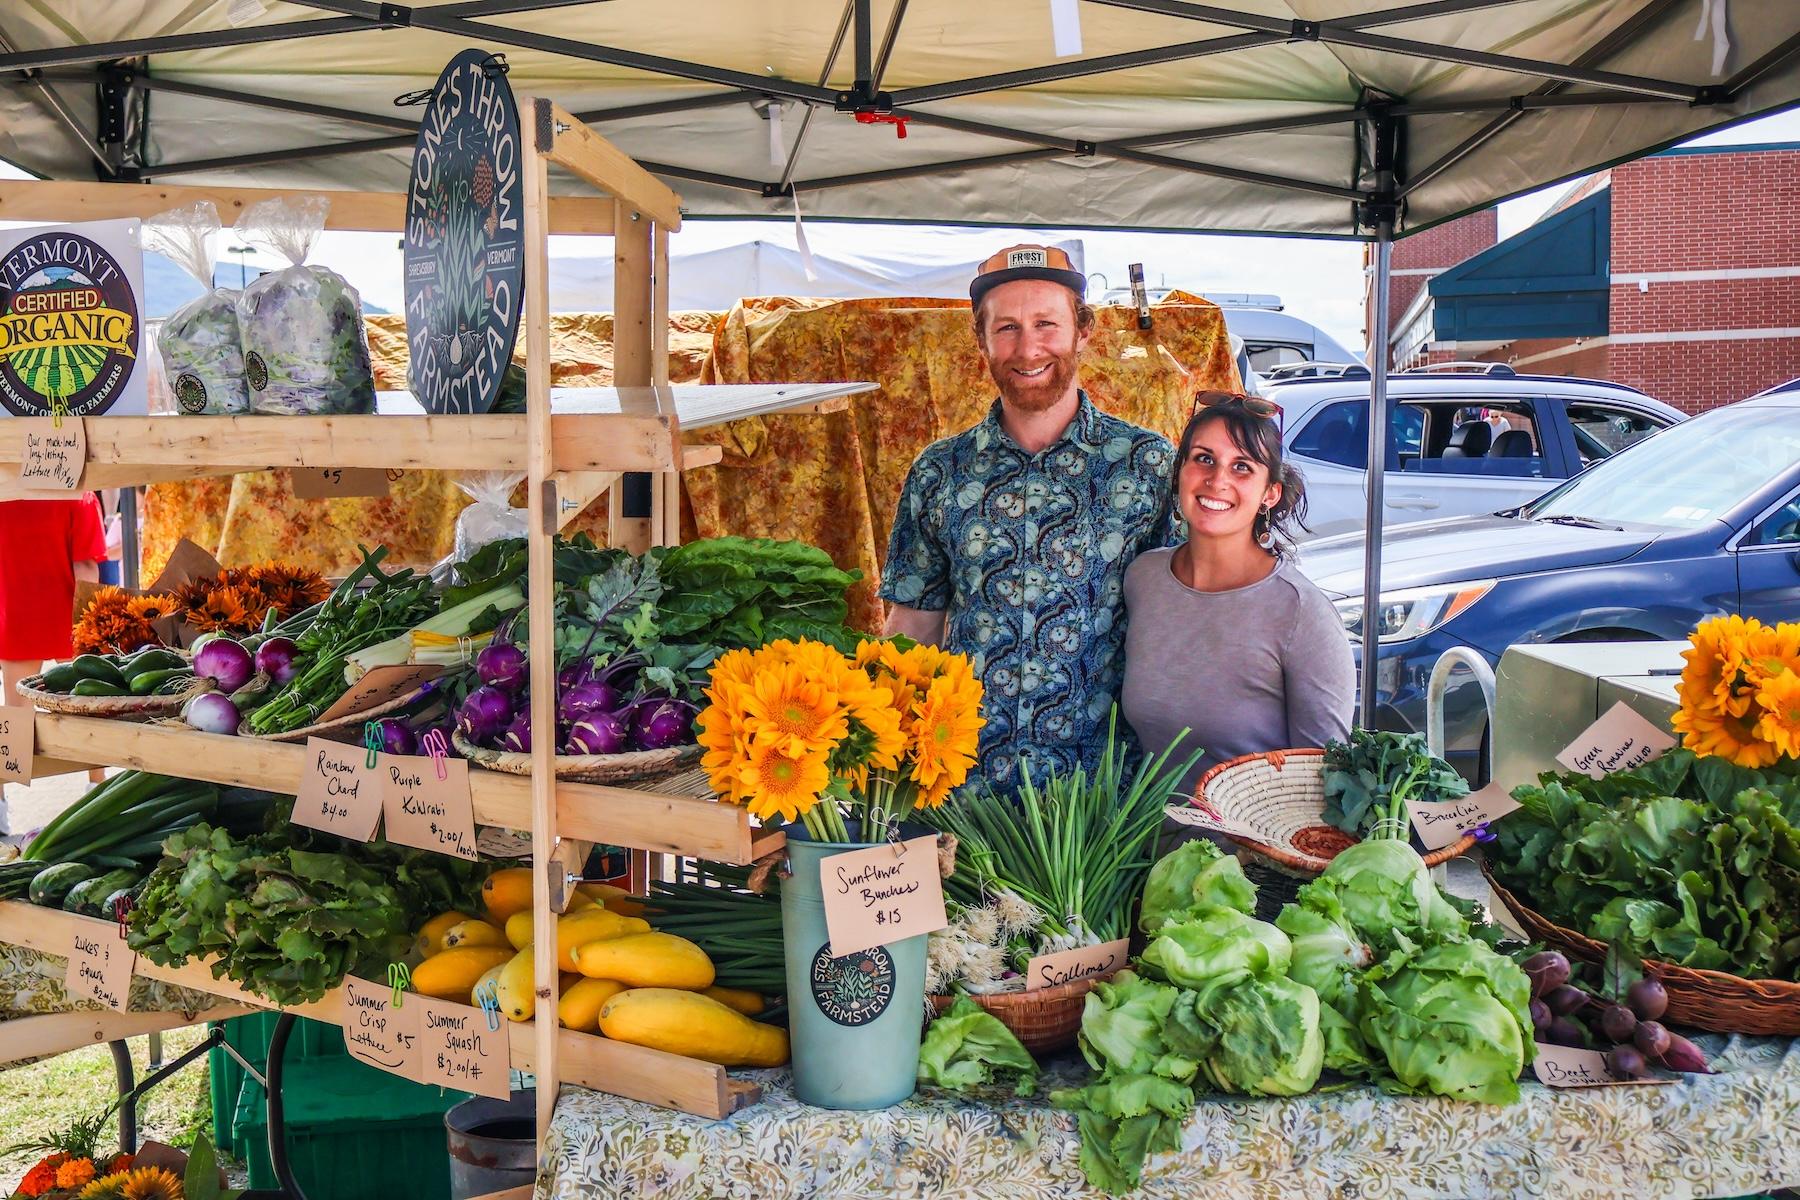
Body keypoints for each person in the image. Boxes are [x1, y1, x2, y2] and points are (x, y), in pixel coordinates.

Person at [881, 244, 1176, 789]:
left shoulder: (1148, 465)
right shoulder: (939, 472)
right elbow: (912, 631)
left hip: (1100, 795)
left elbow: (1182, 627)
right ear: (982, 340)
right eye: (1007, 328)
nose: (1028, 347)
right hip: (964, 788)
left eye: (1046, 324)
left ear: (1083, 331)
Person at [1121, 392, 1355, 797]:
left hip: (1250, 857)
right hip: (1141, 854)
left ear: (1270, 494)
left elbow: (1324, 781)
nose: (1217, 480)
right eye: (1204, 459)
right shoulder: (1143, 579)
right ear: (1180, 472)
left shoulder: (1301, 614)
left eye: (1242, 467)